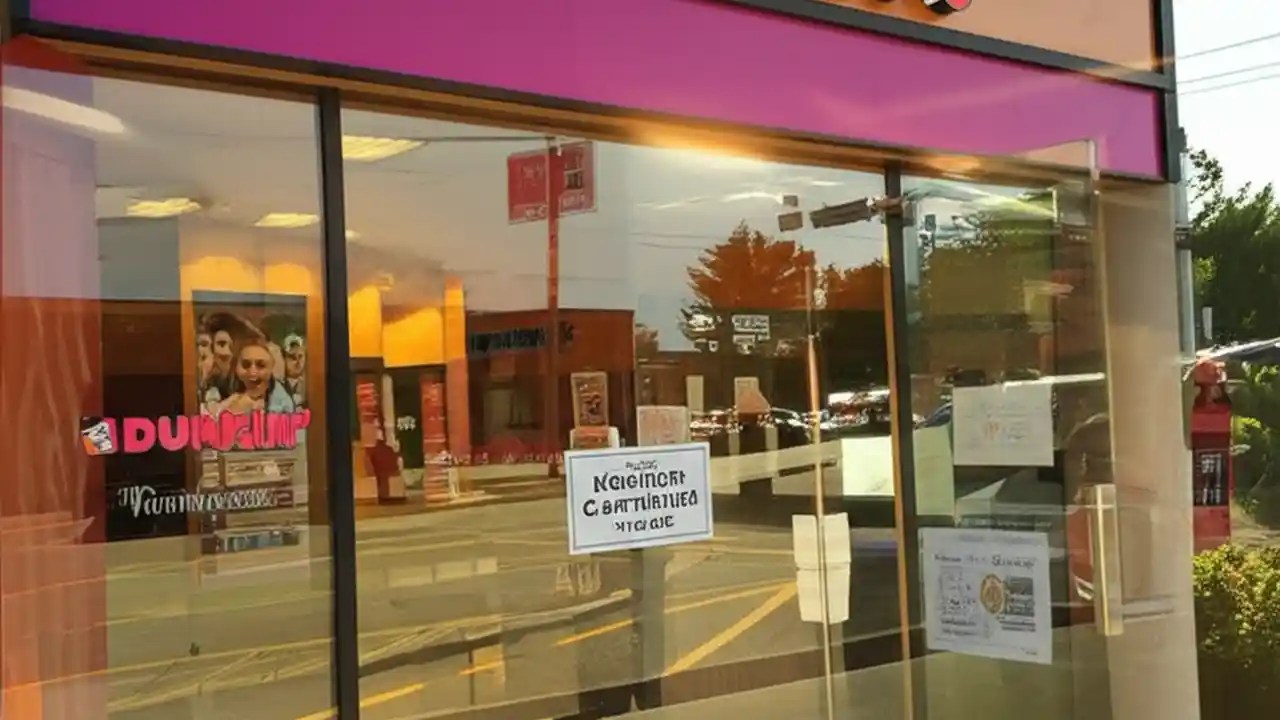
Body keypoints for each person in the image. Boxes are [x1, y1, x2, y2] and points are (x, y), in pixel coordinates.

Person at [214, 337, 295, 416]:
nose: (253, 372)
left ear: (271, 368)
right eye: (246, 365)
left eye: (261, 365)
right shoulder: (225, 395)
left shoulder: (284, 405)